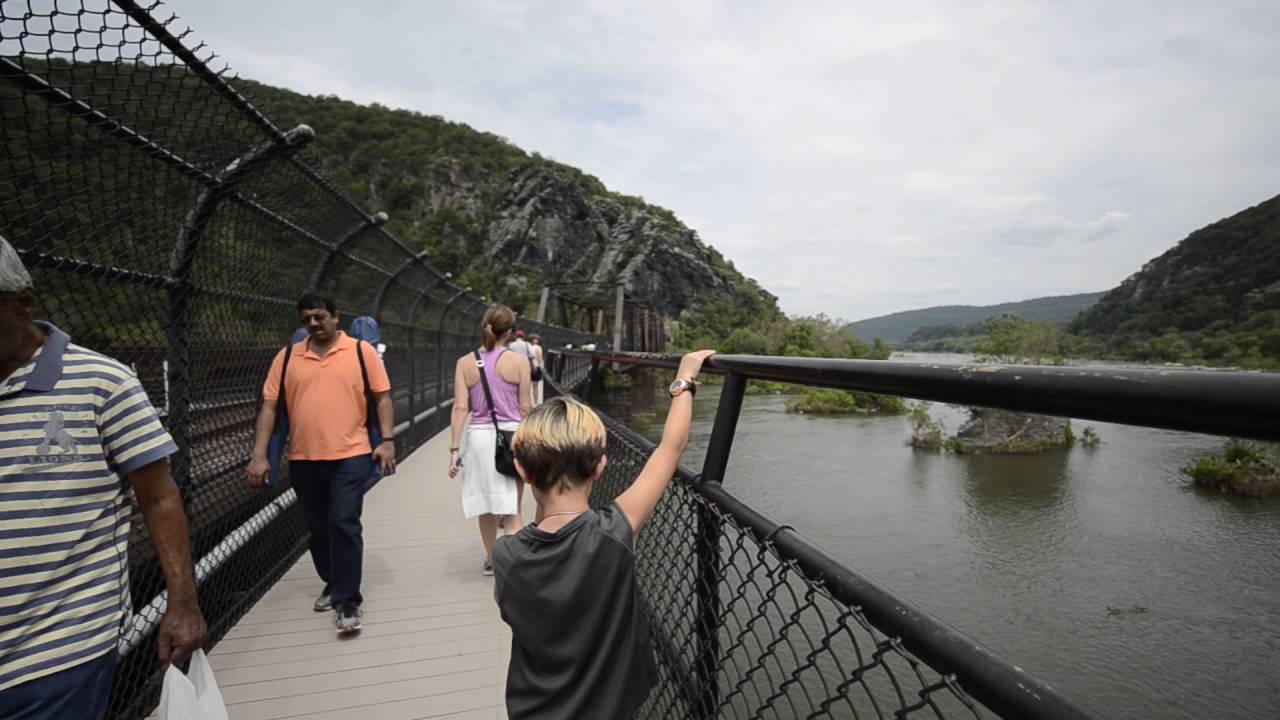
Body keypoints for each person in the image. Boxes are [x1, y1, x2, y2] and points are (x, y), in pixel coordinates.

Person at [0, 237, 206, 718]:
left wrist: (183, 603)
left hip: (57, 651)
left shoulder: (102, 382)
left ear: (22, 301)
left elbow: (159, 497)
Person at [492, 349, 714, 719]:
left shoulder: (505, 555)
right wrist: (684, 377)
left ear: (522, 470)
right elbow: (670, 449)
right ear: (600, 467)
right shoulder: (614, 531)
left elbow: (514, 610)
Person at [247, 294, 396, 636]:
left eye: (319, 317)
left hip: (351, 453)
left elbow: (382, 397)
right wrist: (259, 454)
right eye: (306, 319)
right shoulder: (286, 358)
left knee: (344, 521)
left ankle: (347, 602)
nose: (313, 324)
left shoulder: (361, 352)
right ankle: (332, 580)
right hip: (303, 457)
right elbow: (270, 408)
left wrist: (387, 441)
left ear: (335, 316)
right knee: (318, 528)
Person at [447, 304, 532, 575]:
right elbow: (526, 407)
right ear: (509, 332)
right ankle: (514, 560)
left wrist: (454, 449)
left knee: (486, 504)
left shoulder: (465, 362)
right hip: (513, 436)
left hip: (480, 439)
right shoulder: (518, 361)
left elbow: (461, 407)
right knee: (512, 504)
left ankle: (491, 558)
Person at [528, 334, 545, 405]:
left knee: (529, 386)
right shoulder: (538, 347)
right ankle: (535, 402)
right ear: (533, 340)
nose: (537, 340)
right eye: (536, 339)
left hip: (528, 367)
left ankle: (530, 401)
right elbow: (540, 358)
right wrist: (542, 368)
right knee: (536, 386)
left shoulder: (528, 346)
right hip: (536, 368)